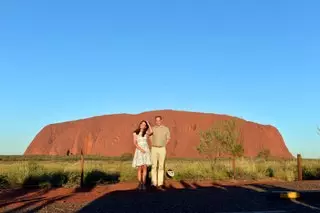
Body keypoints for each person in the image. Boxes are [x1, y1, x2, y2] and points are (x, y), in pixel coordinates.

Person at [132, 120, 153, 190]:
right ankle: (139, 183)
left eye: (144, 124)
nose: (143, 125)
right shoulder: (135, 133)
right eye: (142, 124)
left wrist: (149, 124)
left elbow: (152, 132)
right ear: (140, 124)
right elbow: (135, 143)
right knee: (139, 168)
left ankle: (143, 184)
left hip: (146, 150)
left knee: (145, 167)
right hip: (139, 150)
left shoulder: (146, 133)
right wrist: (141, 149)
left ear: (145, 126)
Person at [150, 115, 170, 188]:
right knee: (153, 166)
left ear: (161, 120)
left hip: (162, 148)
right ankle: (153, 183)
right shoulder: (153, 128)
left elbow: (168, 138)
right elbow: (150, 137)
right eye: (156, 120)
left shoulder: (166, 129)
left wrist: (164, 145)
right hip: (154, 148)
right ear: (155, 121)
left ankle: (160, 183)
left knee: (161, 166)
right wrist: (153, 144)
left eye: (159, 120)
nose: (158, 121)